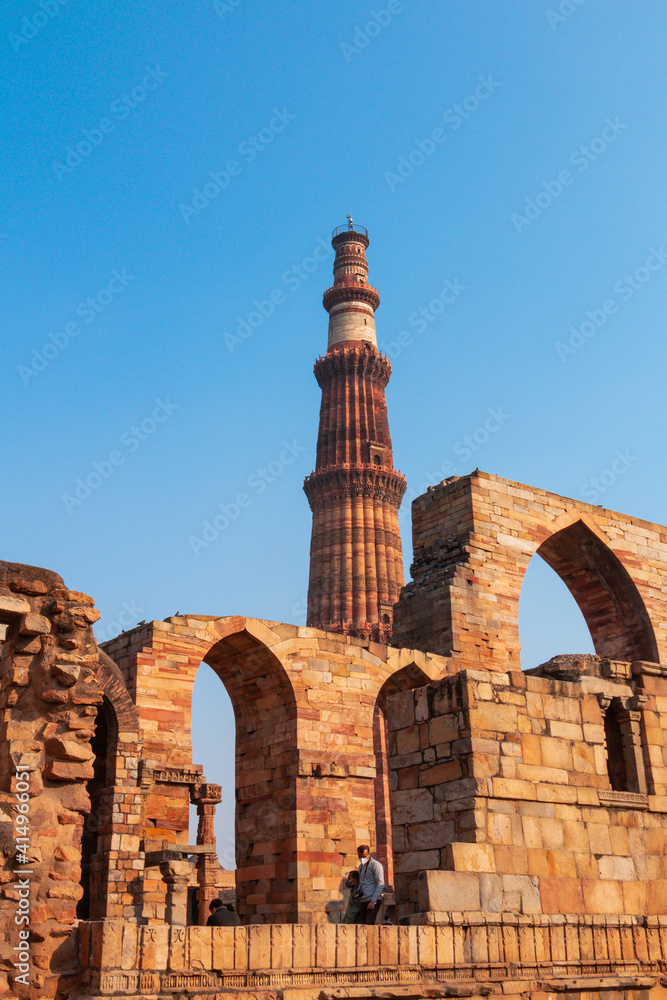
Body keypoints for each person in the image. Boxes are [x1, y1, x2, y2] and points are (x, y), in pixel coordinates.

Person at [353, 844, 384, 925]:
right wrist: (357, 890)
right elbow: (362, 882)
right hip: (363, 900)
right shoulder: (361, 867)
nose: (362, 859)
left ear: (369, 854)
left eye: (364, 856)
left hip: (372, 899)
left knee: (369, 925)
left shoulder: (375, 865)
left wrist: (373, 901)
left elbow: (380, 883)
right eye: (360, 856)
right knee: (364, 926)